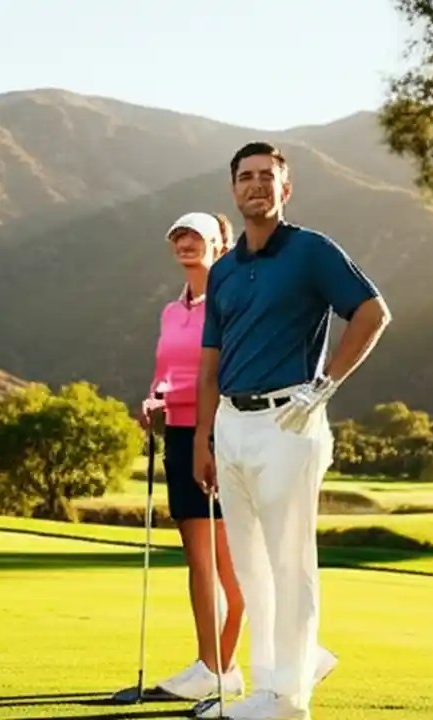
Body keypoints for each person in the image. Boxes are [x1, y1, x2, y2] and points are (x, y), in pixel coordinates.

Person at [192, 142, 391, 720]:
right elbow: (211, 361)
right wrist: (204, 437)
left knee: (289, 563)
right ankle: (267, 688)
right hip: (230, 424)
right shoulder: (224, 269)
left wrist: (323, 386)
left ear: (286, 188)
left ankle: (288, 699)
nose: (256, 185)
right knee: (252, 567)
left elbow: (372, 312)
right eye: (246, 177)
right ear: (233, 190)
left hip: (289, 419)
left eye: (267, 177)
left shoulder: (311, 251)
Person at [138, 211, 247, 705]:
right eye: (179, 237)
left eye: (196, 237)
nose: (186, 244)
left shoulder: (230, 304)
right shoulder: (169, 311)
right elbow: (164, 376)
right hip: (179, 437)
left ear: (219, 245)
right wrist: (153, 401)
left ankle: (225, 665)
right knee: (197, 560)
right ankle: (209, 665)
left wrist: (209, 428)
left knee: (230, 561)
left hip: (220, 434)